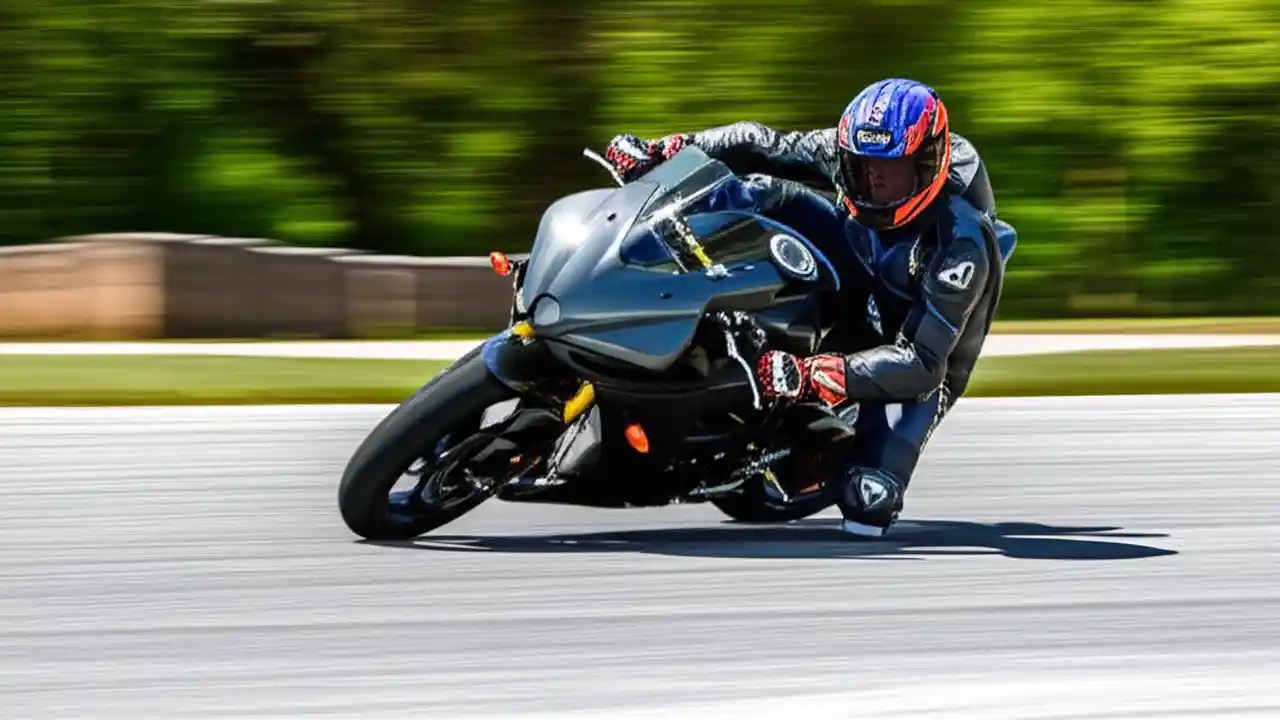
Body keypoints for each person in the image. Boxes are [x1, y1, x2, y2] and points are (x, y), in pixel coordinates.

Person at [601, 78, 1008, 537]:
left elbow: (922, 364)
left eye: (889, 169)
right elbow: (762, 143)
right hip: (861, 252)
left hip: (917, 347)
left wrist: (813, 373)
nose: (873, 179)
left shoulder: (962, 243)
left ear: (927, 164)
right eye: (861, 165)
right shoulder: (846, 155)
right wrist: (666, 150)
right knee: (754, 190)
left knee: (866, 505)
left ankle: (829, 446)